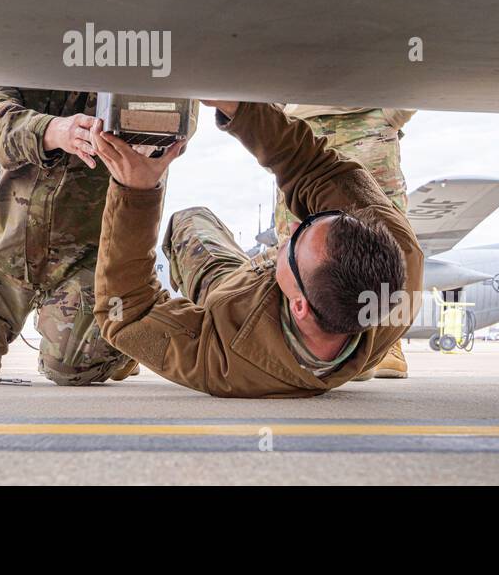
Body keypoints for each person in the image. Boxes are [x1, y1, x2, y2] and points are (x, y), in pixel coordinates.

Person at [90, 100, 423, 398]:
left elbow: (127, 314)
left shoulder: (224, 362)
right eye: (315, 221)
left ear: (299, 306)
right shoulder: (398, 255)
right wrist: (241, 109)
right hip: (284, 290)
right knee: (196, 218)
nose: (293, 226)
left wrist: (136, 189)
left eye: (296, 243)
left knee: (188, 221)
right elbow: (314, 168)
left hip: (229, 305)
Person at [0, 86, 149, 385]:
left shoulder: (134, 55)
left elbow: (177, 118)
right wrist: (56, 130)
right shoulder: (19, 51)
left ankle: (122, 346)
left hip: (86, 256)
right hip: (6, 251)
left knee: (73, 368)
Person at [273, 106, 415, 379]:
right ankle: (318, 344)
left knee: (378, 242)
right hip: (309, 119)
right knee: (301, 248)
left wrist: (392, 112)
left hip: (362, 116)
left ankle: (384, 345)